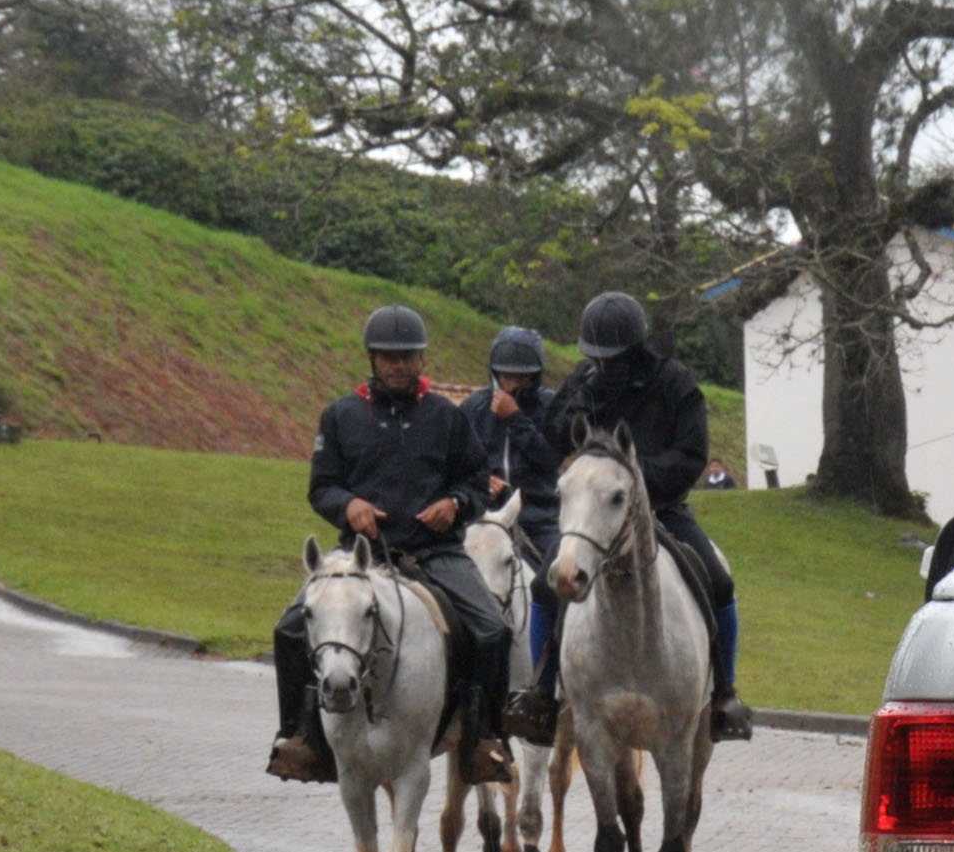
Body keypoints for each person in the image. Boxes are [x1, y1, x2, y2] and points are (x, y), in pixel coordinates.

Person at [266, 306, 516, 786]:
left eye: (408, 357)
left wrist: (455, 504)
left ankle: (485, 739)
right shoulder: (341, 415)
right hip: (360, 559)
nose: (399, 366)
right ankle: (299, 737)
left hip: (435, 553)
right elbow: (322, 487)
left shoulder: (447, 416)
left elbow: (476, 482)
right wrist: (348, 505)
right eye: (389, 357)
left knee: (492, 629)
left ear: (421, 359)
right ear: (372, 358)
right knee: (289, 629)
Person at [520, 291, 754, 743]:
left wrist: (633, 478)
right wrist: (575, 411)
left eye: (613, 358)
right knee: (544, 583)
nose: (604, 366)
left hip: (661, 509)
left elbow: (691, 455)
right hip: (596, 517)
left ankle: (725, 692)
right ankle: (541, 693)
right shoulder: (587, 377)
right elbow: (553, 434)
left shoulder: (674, 383)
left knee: (718, 581)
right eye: (597, 358)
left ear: (635, 348)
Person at [470, 326, 562, 693]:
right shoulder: (475, 408)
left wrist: (515, 417)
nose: (511, 384)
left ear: (534, 376)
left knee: (558, 581)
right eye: (506, 375)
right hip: (484, 515)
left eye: (521, 377)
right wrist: (481, 481)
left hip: (538, 513)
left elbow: (550, 457)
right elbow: (462, 459)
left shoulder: (549, 407)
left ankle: (551, 677)